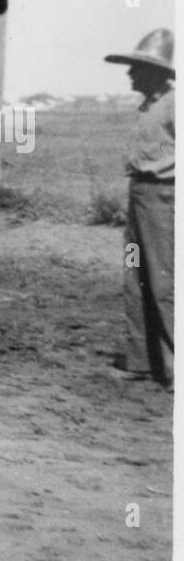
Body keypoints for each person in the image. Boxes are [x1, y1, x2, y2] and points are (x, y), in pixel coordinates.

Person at [105, 28, 174, 390]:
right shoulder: (149, 106)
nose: (131, 74)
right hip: (139, 198)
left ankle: (174, 364)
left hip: (164, 199)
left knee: (163, 280)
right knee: (135, 275)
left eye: (137, 68)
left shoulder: (174, 104)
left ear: (155, 72)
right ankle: (142, 360)